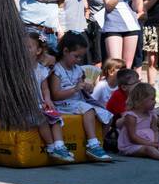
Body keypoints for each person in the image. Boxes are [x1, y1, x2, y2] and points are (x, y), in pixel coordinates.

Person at [48, 30, 112, 160]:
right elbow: (55, 95)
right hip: (63, 104)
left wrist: (88, 88)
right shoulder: (57, 70)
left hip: (77, 103)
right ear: (65, 51)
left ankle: (99, 143)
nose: (79, 60)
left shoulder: (78, 69)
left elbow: (84, 89)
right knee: (88, 110)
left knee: (108, 116)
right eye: (76, 56)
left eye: (81, 57)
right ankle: (93, 145)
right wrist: (75, 89)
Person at [25, 29, 72, 163]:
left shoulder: (41, 69)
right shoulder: (19, 69)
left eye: (28, 47)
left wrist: (48, 100)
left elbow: (45, 88)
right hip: (26, 107)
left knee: (55, 118)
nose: (23, 50)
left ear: (38, 51)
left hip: (40, 105)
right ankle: (51, 147)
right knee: (42, 119)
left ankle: (59, 145)